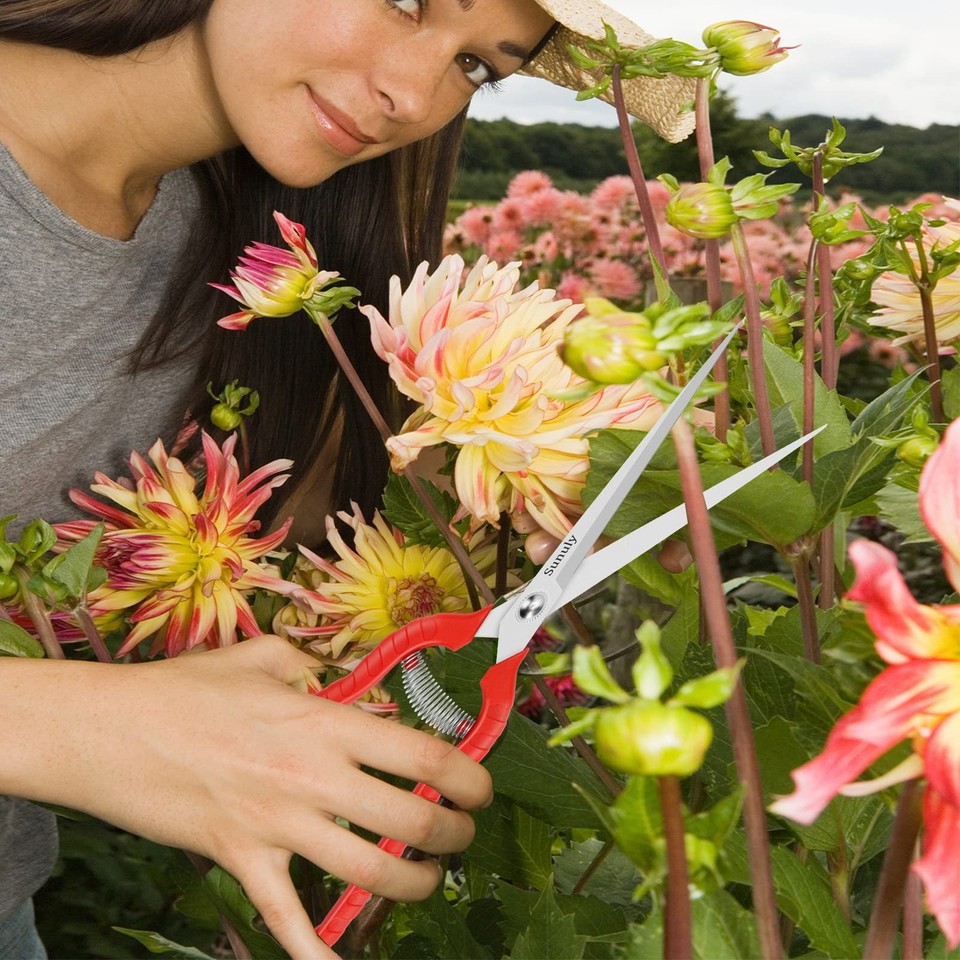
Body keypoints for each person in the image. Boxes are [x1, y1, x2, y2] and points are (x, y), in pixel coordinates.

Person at [0, 1, 694, 957]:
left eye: (476, 66)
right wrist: (95, 729)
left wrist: (495, 488)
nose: (412, 96)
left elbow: (288, 579)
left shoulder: (256, 259)